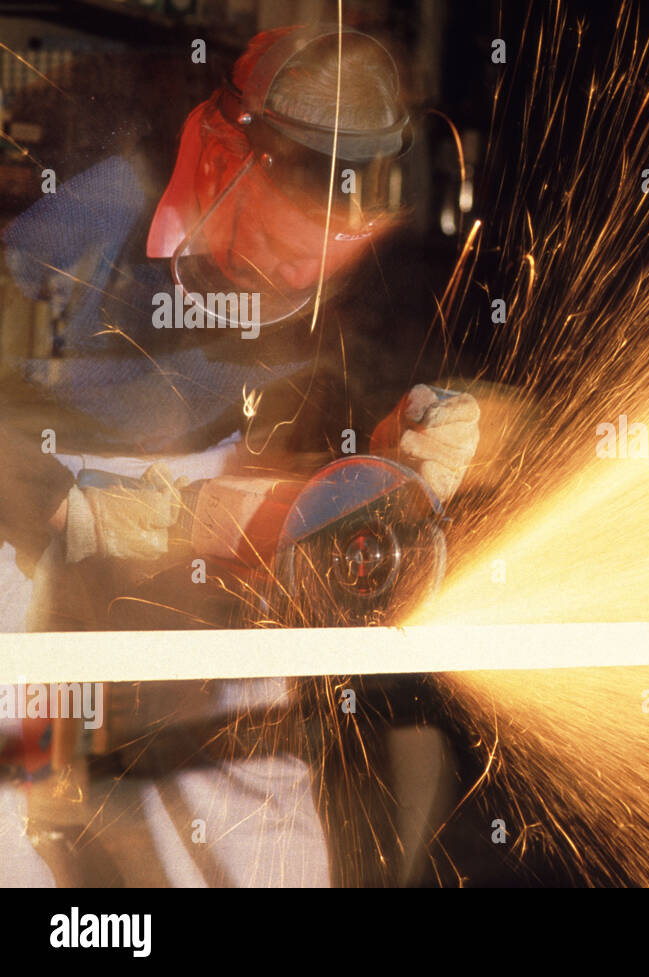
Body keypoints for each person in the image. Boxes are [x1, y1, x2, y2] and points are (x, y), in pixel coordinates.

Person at [0, 24, 479, 886]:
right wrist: (89, 508)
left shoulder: (359, 259)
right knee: (23, 784)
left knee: (255, 823)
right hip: (39, 499)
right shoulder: (81, 199)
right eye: (288, 249)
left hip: (222, 509)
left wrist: (395, 447)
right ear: (224, 156)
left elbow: (351, 400)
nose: (309, 274)